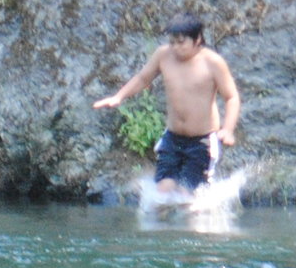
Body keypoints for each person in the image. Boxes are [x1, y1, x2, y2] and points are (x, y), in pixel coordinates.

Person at [94, 12, 241, 199]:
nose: (175, 47)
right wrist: (118, 96)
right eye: (172, 42)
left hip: (202, 142)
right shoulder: (163, 55)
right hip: (172, 139)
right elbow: (143, 78)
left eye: (181, 42)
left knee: (186, 197)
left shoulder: (213, 62)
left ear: (197, 39)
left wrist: (228, 129)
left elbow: (231, 97)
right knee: (163, 192)